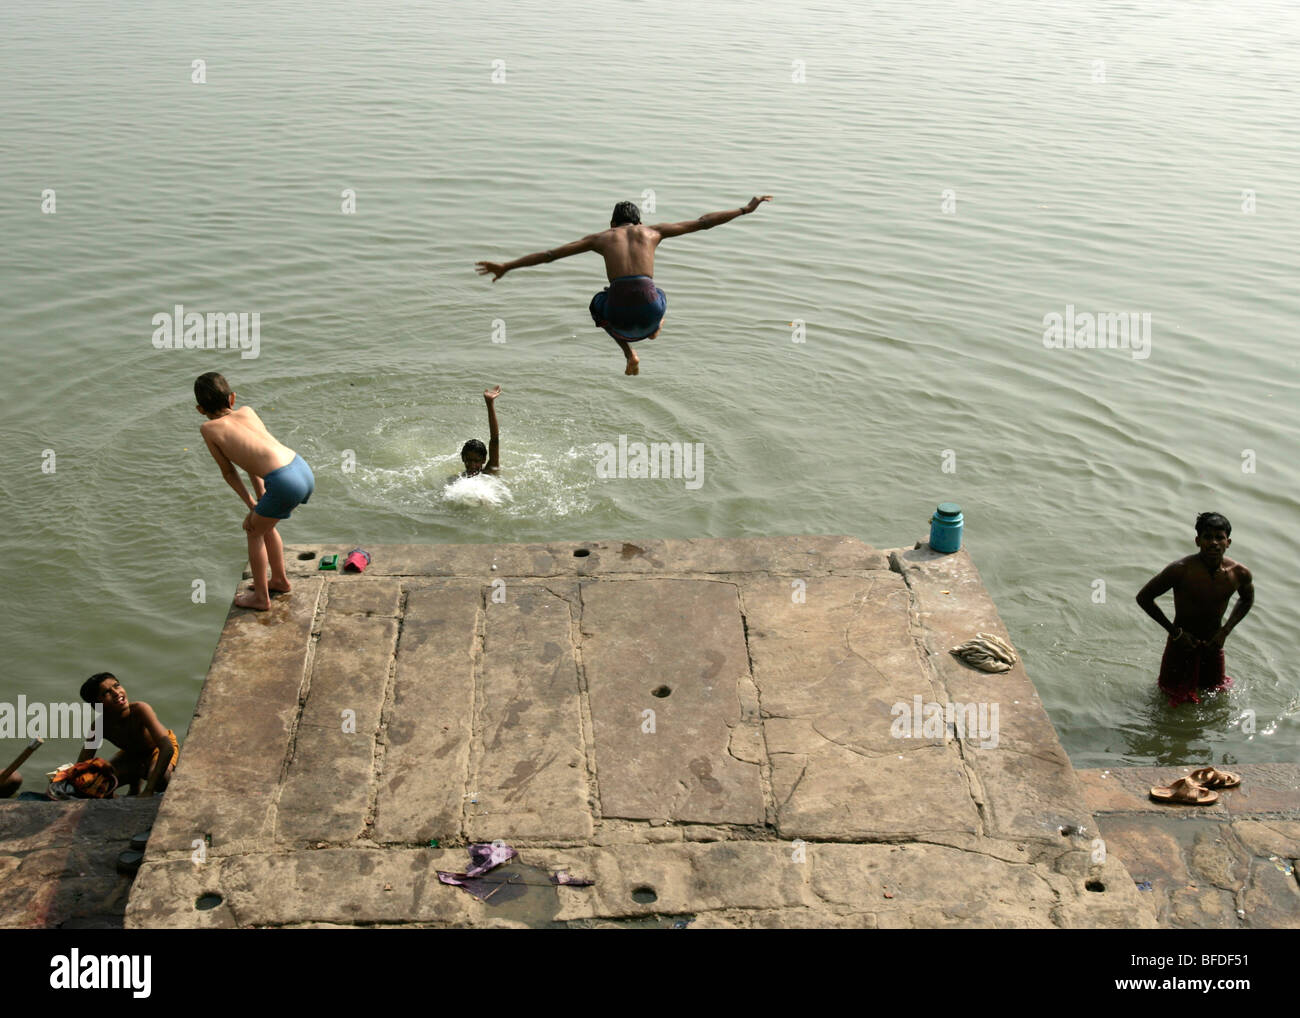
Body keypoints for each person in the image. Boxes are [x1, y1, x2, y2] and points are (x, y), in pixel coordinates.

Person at [475, 195, 773, 375]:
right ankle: (656, 325)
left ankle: (630, 353)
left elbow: (550, 255)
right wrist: (746, 210)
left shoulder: (601, 238)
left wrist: (507, 266)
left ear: (612, 223)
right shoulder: (653, 232)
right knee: (660, 292)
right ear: (639, 221)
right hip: (650, 305)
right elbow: (703, 221)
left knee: (596, 304)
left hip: (618, 311)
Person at [195, 372, 314, 611]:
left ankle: (261, 597)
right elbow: (253, 459)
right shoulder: (247, 411)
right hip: (300, 467)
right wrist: (258, 501)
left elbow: (229, 473)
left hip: (282, 481)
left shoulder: (209, 429)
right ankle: (279, 580)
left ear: (200, 409)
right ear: (232, 398)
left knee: (252, 530)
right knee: (264, 524)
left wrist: (251, 506)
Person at [1136, 512, 1255, 707]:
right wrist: (1175, 633)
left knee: (1215, 696)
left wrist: (1225, 632)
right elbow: (1144, 598)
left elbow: (1247, 599)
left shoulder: (1238, 573)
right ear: (1198, 541)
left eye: (1220, 538)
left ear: (1228, 542)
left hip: (1213, 645)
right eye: (1208, 537)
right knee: (1167, 698)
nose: (1214, 543)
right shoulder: (1181, 569)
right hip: (1181, 644)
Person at [76, 673, 177, 796]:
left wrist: (149, 790)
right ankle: (134, 787)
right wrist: (70, 778)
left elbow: (167, 748)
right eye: (106, 692)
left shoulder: (140, 710)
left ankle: (144, 784)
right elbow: (82, 764)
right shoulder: (99, 726)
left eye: (117, 686)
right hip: (131, 754)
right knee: (101, 784)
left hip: (156, 749)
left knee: (161, 779)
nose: (116, 692)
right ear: (97, 706)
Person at [459, 386, 501, 477]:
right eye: (468, 460)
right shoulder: (457, 480)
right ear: (463, 458)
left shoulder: (488, 472)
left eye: (476, 461)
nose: (472, 465)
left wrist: (489, 404)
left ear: (483, 460)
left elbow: (494, 440)